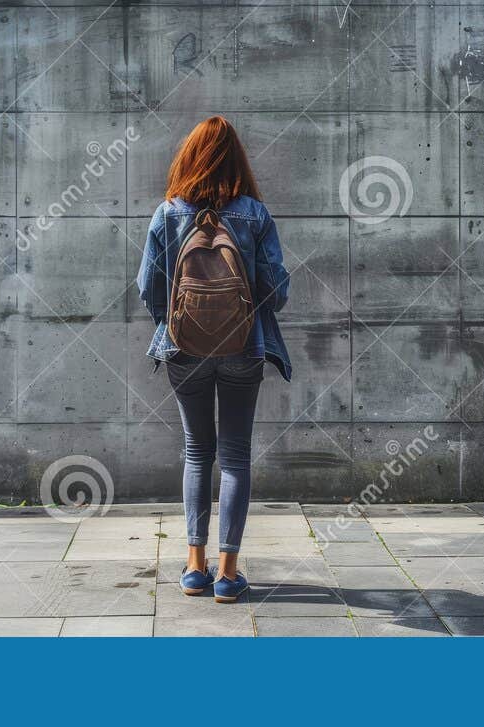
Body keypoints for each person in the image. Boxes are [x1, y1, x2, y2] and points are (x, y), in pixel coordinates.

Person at [137, 116, 292, 604]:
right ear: (236, 160)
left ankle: (193, 567)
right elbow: (276, 290)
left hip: (184, 350)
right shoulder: (254, 214)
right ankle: (227, 574)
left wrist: (179, 321)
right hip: (244, 348)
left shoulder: (167, 213)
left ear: (189, 157)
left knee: (197, 450)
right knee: (236, 455)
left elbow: (147, 287)